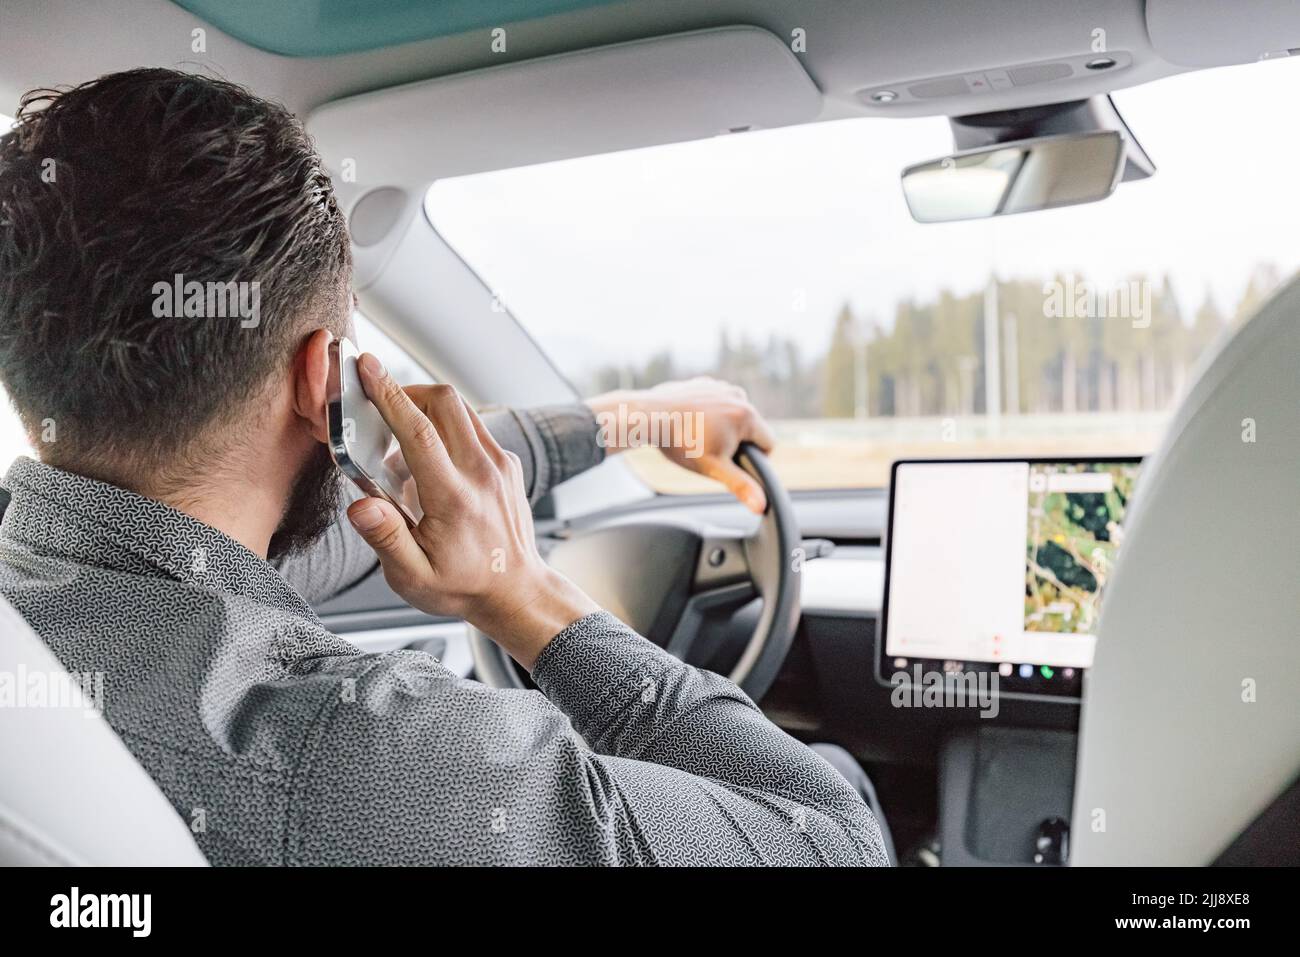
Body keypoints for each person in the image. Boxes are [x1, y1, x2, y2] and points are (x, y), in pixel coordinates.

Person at [0, 68, 888, 865]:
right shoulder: (358, 757)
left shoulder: (45, 601)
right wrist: (525, 596)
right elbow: (836, 840)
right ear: (326, 381)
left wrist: (622, 421)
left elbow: (271, 550)